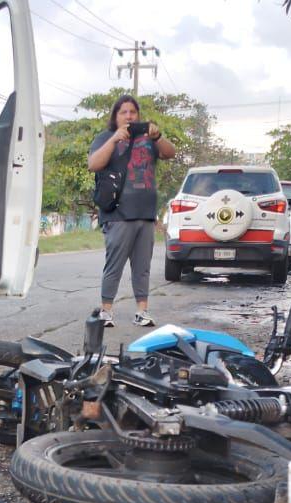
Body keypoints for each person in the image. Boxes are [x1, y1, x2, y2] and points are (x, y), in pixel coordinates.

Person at [88, 95, 175, 328]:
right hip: (118, 214)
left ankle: (142, 311)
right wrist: (115, 139)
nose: (129, 116)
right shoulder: (105, 137)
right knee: (114, 265)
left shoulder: (148, 140)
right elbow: (94, 164)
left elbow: (170, 152)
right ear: (115, 117)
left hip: (145, 214)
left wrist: (157, 136)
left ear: (138, 115)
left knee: (142, 267)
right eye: (123, 112)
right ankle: (106, 311)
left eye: (132, 112)